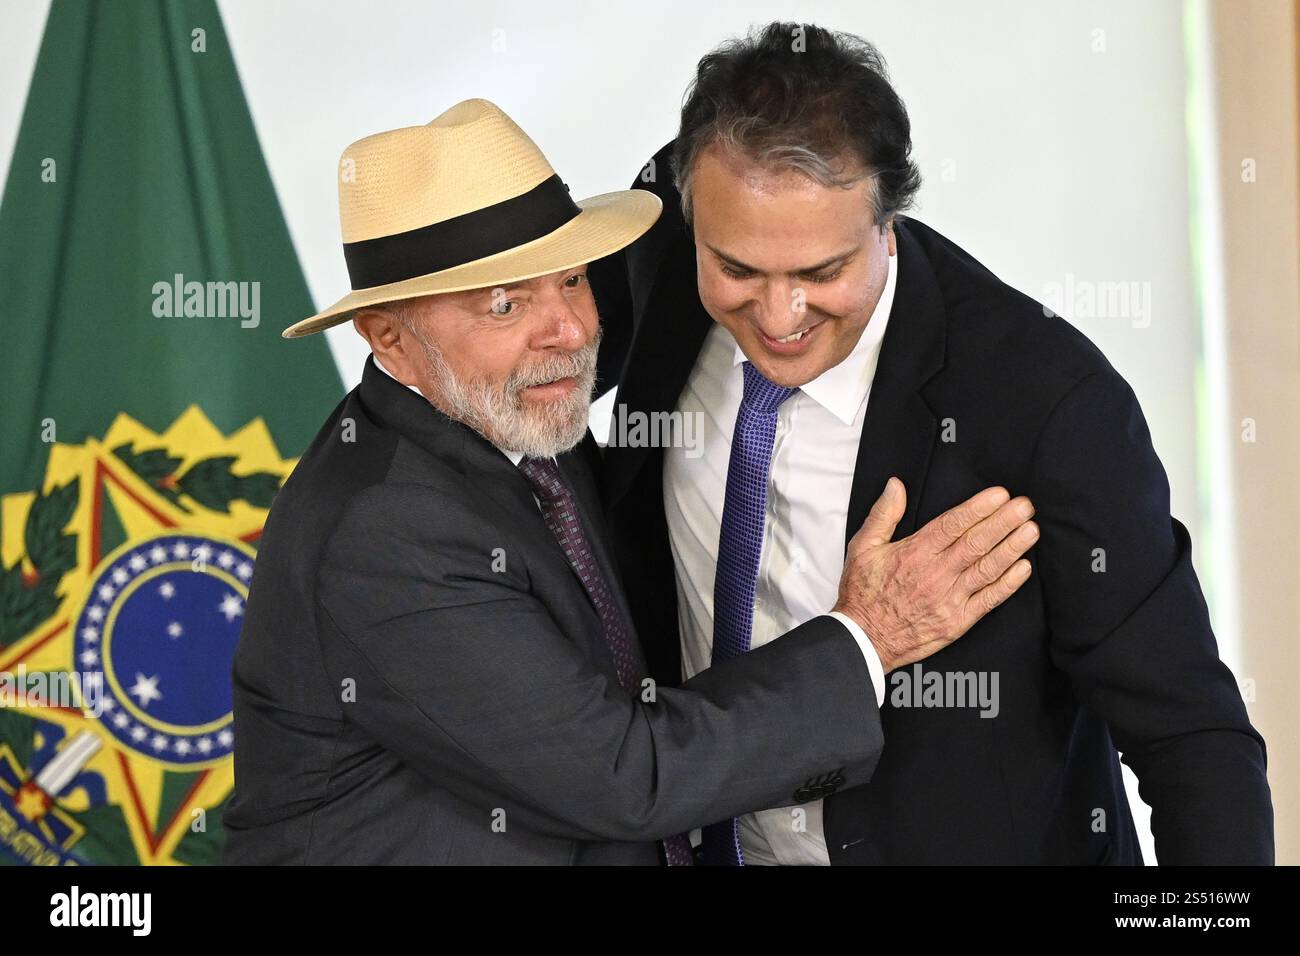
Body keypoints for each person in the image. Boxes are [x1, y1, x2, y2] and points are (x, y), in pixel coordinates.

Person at [222, 98, 1038, 864]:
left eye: (572, 278)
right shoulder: (386, 531)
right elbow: (630, 777)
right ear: (388, 337)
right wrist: (871, 636)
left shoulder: (504, 400)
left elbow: (684, 237)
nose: (571, 331)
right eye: (505, 305)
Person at [589, 23, 1273, 865]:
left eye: (820, 274)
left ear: (887, 222)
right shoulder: (662, 250)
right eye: (737, 271)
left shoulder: (1048, 404)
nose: (776, 318)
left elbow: (1193, 740)